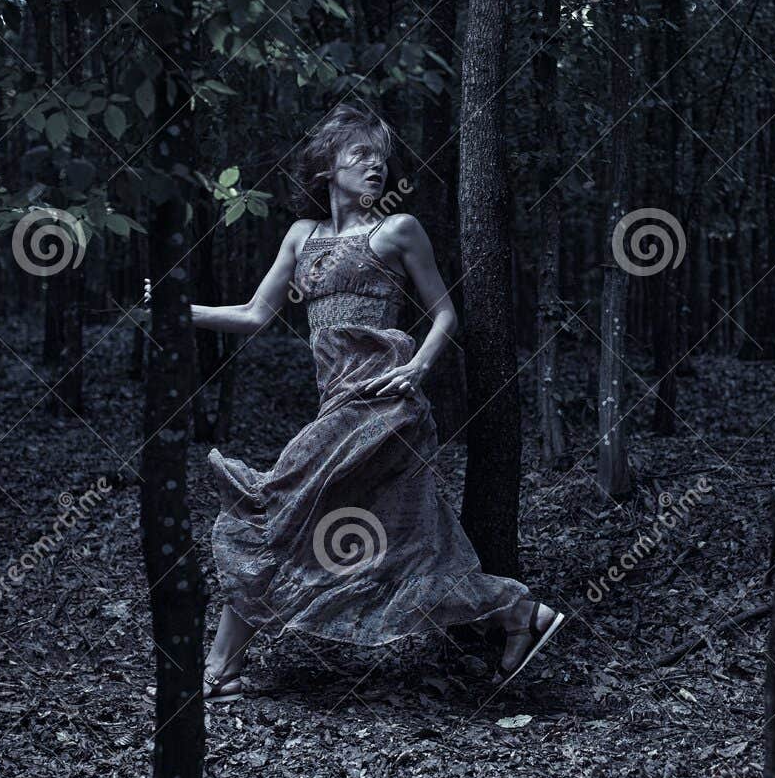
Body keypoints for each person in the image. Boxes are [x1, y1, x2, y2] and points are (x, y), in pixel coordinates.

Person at [188, 103, 564, 698]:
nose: (375, 166)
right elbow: (255, 314)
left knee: (275, 512)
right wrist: (178, 313)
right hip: (335, 410)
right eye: (360, 154)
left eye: (381, 158)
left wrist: (416, 368)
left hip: (383, 408)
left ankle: (216, 670)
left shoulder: (397, 229)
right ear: (325, 168)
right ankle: (519, 613)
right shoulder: (301, 238)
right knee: (397, 545)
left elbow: (445, 314)